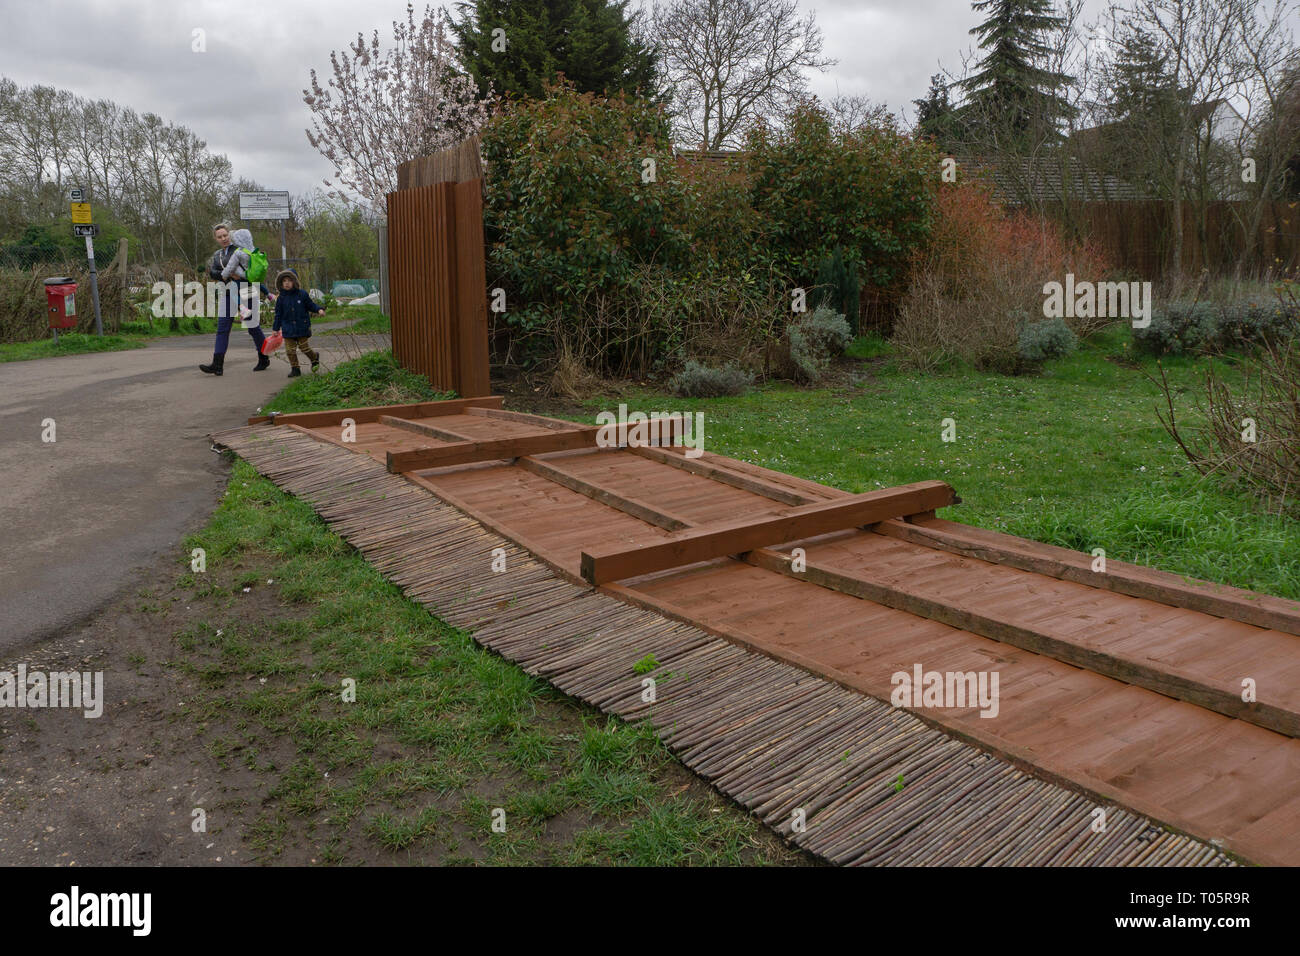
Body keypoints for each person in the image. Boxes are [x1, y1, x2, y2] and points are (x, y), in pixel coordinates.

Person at [199, 224, 273, 376]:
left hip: (246, 290)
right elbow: (213, 272)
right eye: (219, 237)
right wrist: (227, 274)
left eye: (225, 235)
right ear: (216, 239)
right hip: (228, 292)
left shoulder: (239, 249)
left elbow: (250, 271)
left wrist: (234, 274)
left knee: (252, 326)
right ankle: (217, 364)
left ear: (229, 235)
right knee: (222, 328)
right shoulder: (218, 254)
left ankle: (264, 357)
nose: (223, 238)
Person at [272, 269, 326, 377]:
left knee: (304, 347)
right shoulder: (281, 298)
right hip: (287, 327)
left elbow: (311, 305)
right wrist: (276, 328)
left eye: (289, 280)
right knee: (290, 350)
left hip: (302, 326)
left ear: (295, 282)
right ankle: (295, 369)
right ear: (281, 283)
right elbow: (278, 314)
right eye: (284, 281)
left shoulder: (302, 294)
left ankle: (314, 357)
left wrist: (319, 309)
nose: (287, 283)